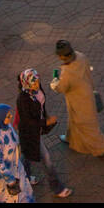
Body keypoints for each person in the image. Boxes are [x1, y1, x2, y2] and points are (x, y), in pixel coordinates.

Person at [15, 69, 71, 199]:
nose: (37, 85)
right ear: (26, 84)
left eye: (37, 81)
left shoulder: (36, 90)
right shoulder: (22, 99)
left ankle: (25, 179)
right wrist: (46, 121)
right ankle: (58, 189)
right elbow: (28, 121)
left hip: (36, 132)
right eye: (33, 83)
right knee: (47, 160)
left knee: (26, 158)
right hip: (29, 134)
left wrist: (46, 117)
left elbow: (41, 106)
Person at [49, 40, 104, 156]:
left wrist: (54, 83)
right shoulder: (81, 56)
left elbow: (61, 87)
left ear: (61, 56)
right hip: (87, 93)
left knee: (87, 125)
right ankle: (70, 138)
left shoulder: (67, 72)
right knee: (75, 121)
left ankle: (101, 148)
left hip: (78, 101)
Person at [0, 104, 34, 204]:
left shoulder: (7, 127)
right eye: (8, 116)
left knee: (24, 194)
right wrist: (10, 179)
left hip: (15, 169)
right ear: (0, 118)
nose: (11, 117)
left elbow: (15, 140)